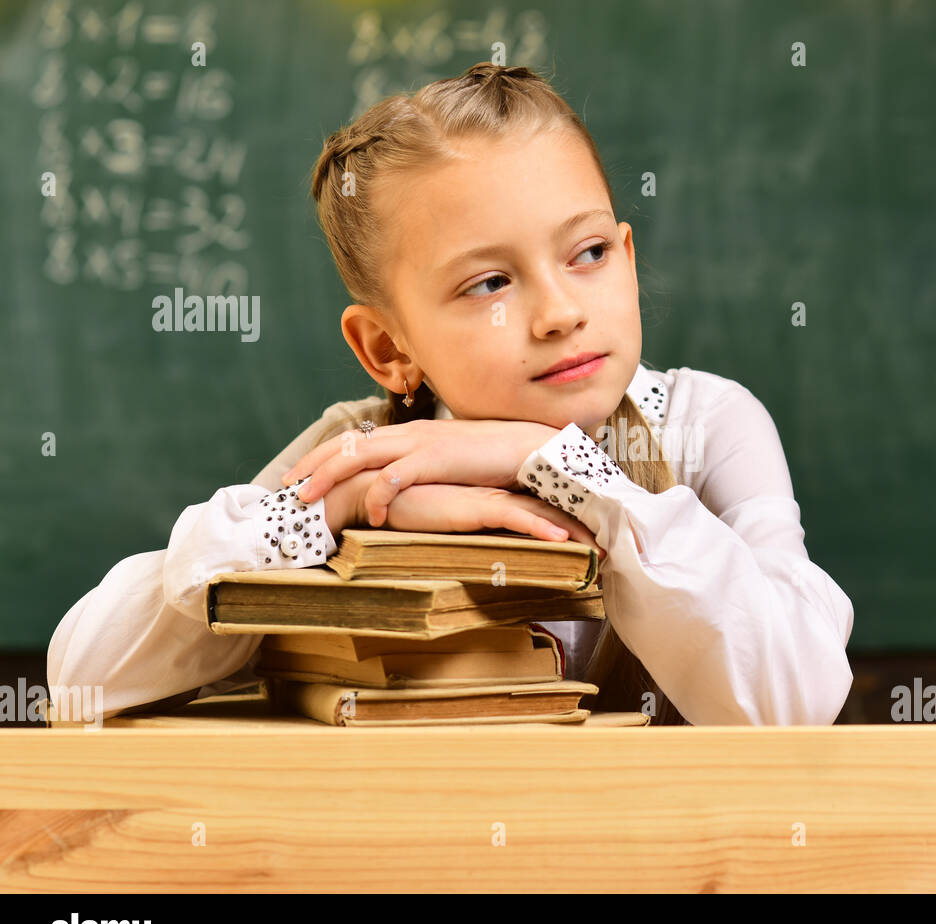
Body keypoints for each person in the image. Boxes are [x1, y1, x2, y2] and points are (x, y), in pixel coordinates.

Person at [47, 62, 853, 726]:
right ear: (389, 349)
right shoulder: (360, 451)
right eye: (491, 281)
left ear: (629, 257)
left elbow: (797, 697)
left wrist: (553, 461)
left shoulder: (706, 428)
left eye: (590, 252)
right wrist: (332, 510)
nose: (563, 311)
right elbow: (83, 678)